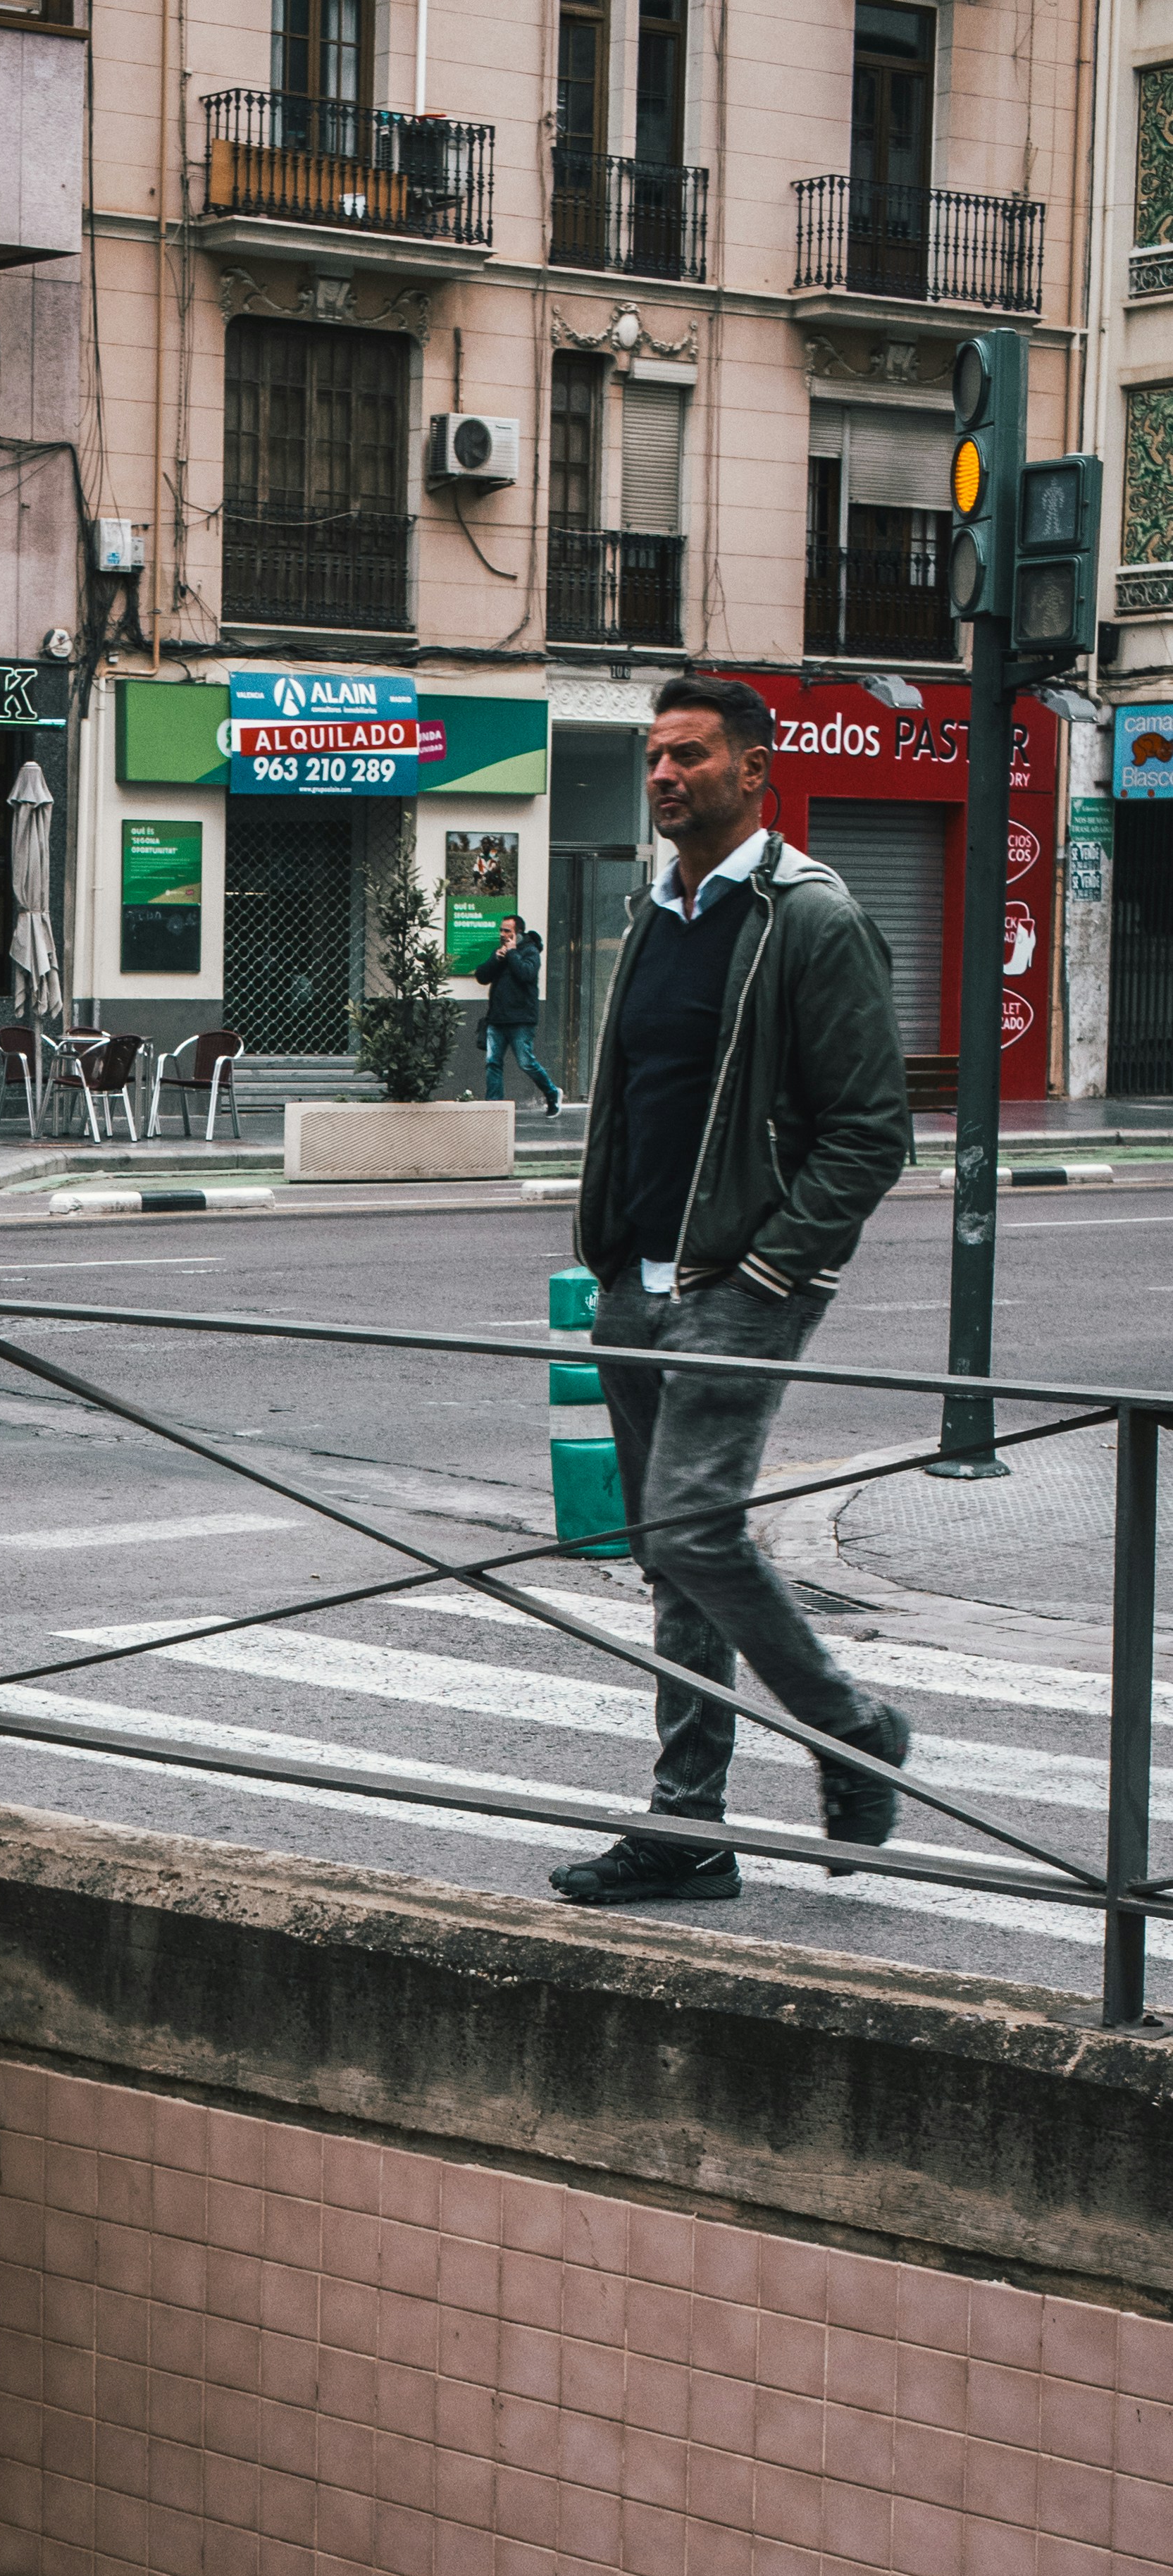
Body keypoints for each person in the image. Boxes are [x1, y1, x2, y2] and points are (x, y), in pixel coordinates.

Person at [550, 672, 912, 1910]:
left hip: (735, 1283)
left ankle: (852, 1728)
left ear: (753, 771)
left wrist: (769, 1265)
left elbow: (869, 1133)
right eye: (653, 755)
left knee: (694, 1527)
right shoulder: (654, 910)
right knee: (670, 1556)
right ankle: (687, 1827)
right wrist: (605, 1251)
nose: (663, 774)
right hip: (631, 1280)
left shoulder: (810, 916)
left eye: (690, 756)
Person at [482, 913, 561, 1115]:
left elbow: (526, 974)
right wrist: (495, 959)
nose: (502, 934)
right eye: (501, 930)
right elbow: (481, 977)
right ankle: (495, 1108)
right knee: (493, 1064)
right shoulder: (501, 952)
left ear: (518, 933)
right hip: (497, 1019)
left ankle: (552, 1093)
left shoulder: (530, 951)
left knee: (526, 1063)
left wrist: (512, 954)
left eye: (507, 931)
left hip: (521, 1020)